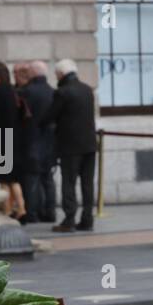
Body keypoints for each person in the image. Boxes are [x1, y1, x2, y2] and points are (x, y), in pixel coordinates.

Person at [50, 59, 97, 232]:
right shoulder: (87, 90)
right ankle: (87, 219)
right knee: (87, 183)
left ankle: (69, 219)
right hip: (90, 144)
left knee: (69, 182)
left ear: (61, 74)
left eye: (56, 75)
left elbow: (51, 115)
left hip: (70, 146)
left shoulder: (62, 92)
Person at [16, 60, 58, 225]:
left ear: (32, 73)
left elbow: (20, 120)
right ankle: (50, 212)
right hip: (49, 143)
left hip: (31, 143)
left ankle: (32, 213)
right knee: (48, 179)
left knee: (31, 180)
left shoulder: (26, 93)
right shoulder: (53, 92)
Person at [0, 62, 26, 220]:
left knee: (3, 179)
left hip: (1, 137)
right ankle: (22, 208)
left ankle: (7, 209)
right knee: (14, 179)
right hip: (14, 138)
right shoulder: (12, 90)